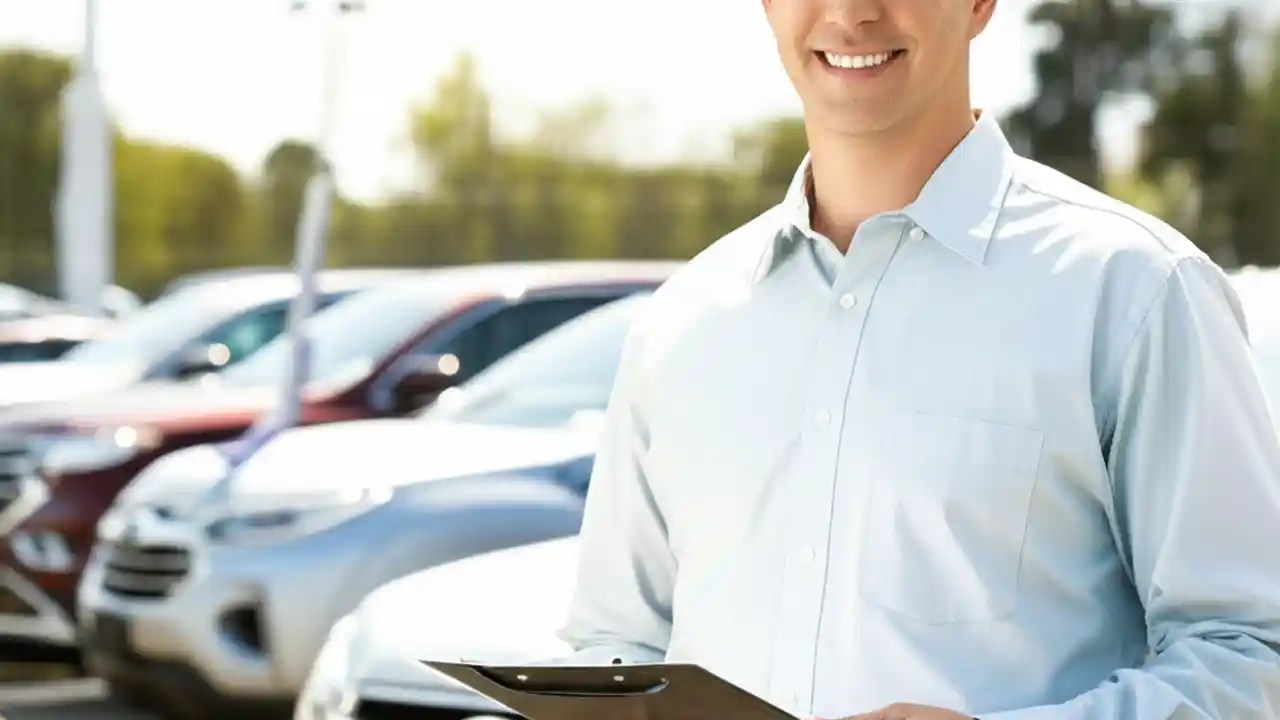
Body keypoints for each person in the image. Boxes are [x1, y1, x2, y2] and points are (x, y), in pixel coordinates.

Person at [557, 1, 1280, 718]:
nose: (850, 13)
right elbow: (616, 642)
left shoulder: (1137, 293)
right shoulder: (681, 322)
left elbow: (1251, 658)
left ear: (980, 5)